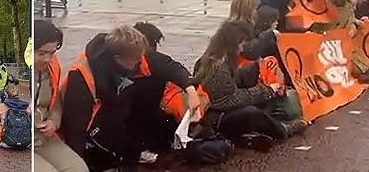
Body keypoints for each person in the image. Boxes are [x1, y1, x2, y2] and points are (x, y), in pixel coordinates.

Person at [193, 21, 307, 150]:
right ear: (232, 45)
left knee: (258, 102)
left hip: (216, 112)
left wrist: (257, 68)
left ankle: (255, 132)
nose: (242, 49)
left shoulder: (211, 59)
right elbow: (231, 100)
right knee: (252, 112)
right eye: (240, 45)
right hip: (215, 119)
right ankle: (284, 130)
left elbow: (233, 83)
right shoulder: (218, 67)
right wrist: (267, 90)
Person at [61, 26, 148, 171]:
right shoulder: (80, 77)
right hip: (83, 126)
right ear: (117, 58)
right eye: (135, 59)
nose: (140, 61)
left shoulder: (121, 62)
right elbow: (75, 129)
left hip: (107, 117)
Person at [131, 22, 203, 162]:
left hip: (145, 115)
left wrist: (191, 92)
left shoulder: (154, 62)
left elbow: (176, 70)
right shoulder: (148, 59)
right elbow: (176, 69)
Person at [30, 20, 88, 171]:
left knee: (78, 168)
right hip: (20, 137)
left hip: (44, 137)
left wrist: (54, 121)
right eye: (41, 53)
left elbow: (56, 102)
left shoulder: (53, 67)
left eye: (52, 52)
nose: (48, 59)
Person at [0, 84, 35, 150]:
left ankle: (0, 142)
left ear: (6, 94)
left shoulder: (2, 105)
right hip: (25, 143)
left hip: (6, 143)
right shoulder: (27, 106)